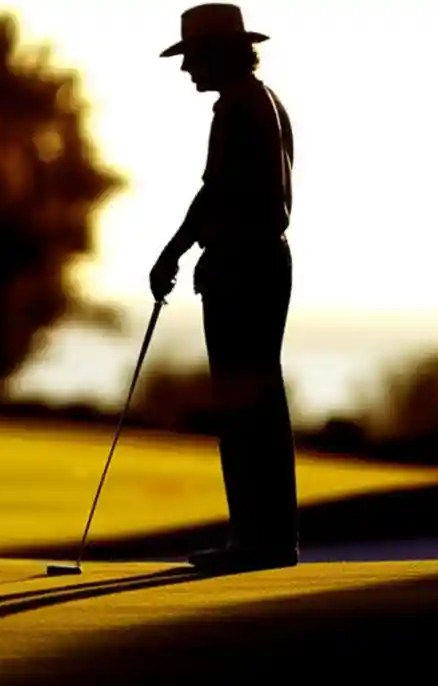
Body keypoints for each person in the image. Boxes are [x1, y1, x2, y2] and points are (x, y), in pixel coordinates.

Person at [149, 3, 299, 573]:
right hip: (264, 261)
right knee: (261, 401)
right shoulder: (264, 101)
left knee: (244, 407)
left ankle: (255, 541)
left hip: (244, 265)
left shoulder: (237, 108)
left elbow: (216, 192)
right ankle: (270, 538)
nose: (187, 69)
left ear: (218, 55)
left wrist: (174, 251)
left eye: (193, 57)